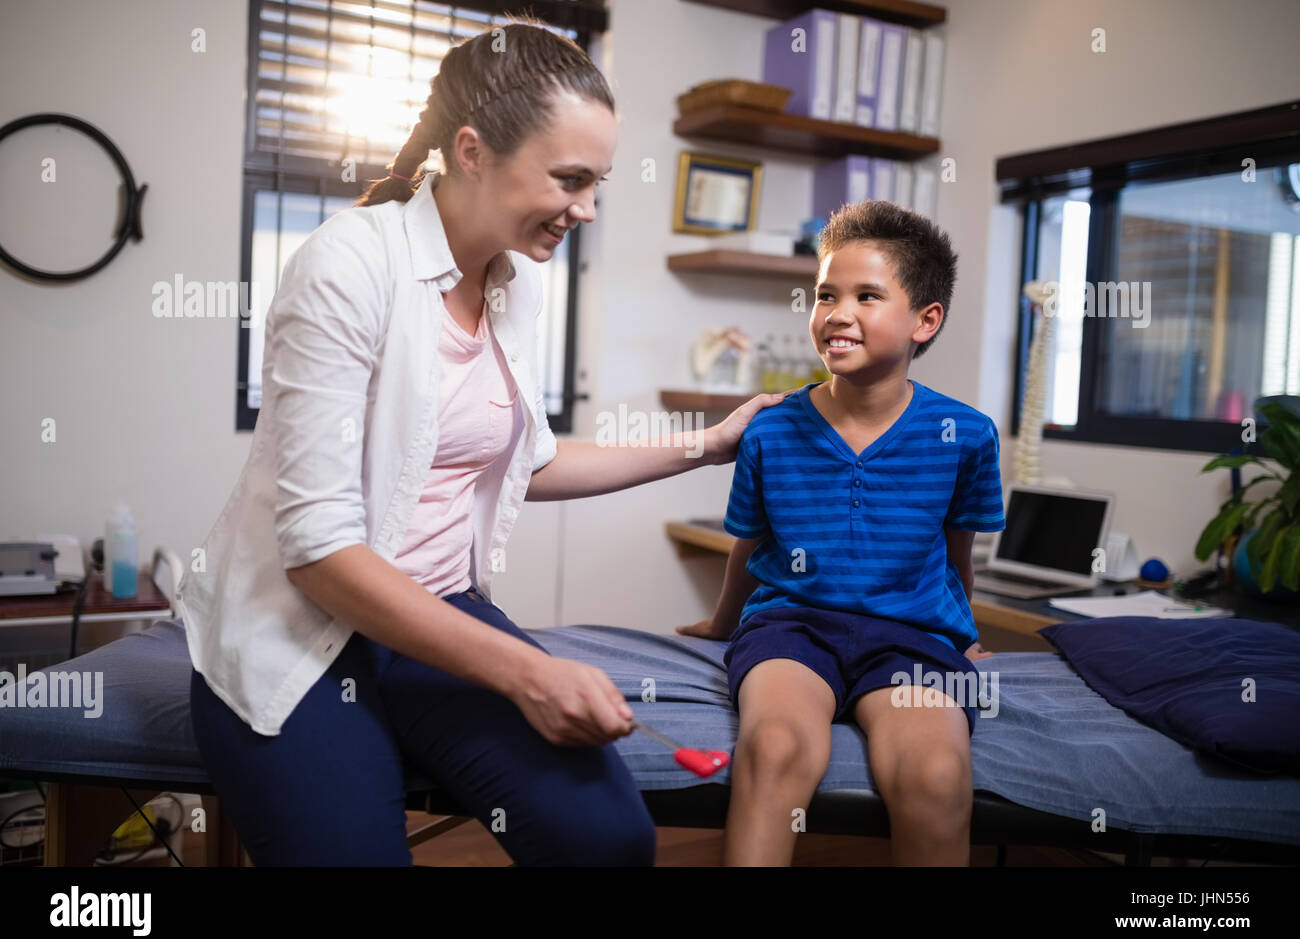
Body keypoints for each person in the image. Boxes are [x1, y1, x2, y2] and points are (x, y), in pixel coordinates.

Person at [177, 18, 783, 866]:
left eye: (598, 182)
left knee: (606, 839)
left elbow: (524, 462)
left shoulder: (516, 282)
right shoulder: (348, 266)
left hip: (433, 616)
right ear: (471, 150)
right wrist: (525, 671)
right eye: (571, 180)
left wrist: (706, 445)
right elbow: (317, 552)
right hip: (299, 627)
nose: (588, 209)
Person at [678, 199, 1006, 866]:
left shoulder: (966, 435)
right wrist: (721, 624)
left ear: (925, 319)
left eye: (866, 295)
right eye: (826, 294)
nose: (837, 313)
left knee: (934, 775)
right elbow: (751, 543)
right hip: (791, 626)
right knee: (774, 749)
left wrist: (965, 636)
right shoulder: (771, 428)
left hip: (911, 637)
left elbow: (955, 556)